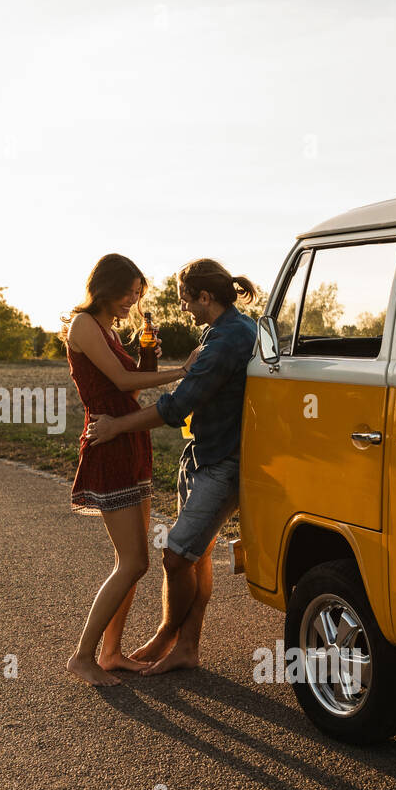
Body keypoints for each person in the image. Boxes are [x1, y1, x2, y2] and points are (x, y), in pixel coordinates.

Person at [85, 258, 257, 675]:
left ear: (204, 297)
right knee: (196, 555)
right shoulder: (224, 329)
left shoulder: (227, 339)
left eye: (184, 300)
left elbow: (176, 405)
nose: (182, 309)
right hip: (202, 454)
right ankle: (187, 648)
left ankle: (168, 634)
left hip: (222, 461)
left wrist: (117, 427)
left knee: (177, 555)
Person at [64, 254, 197, 687]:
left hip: (128, 440)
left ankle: (111, 652)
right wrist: (182, 371)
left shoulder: (110, 329)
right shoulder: (83, 324)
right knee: (134, 562)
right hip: (108, 440)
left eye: (139, 295)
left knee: (131, 560)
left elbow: (133, 377)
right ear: (107, 286)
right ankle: (82, 656)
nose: (133, 301)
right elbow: (121, 383)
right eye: (129, 293)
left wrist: (147, 353)